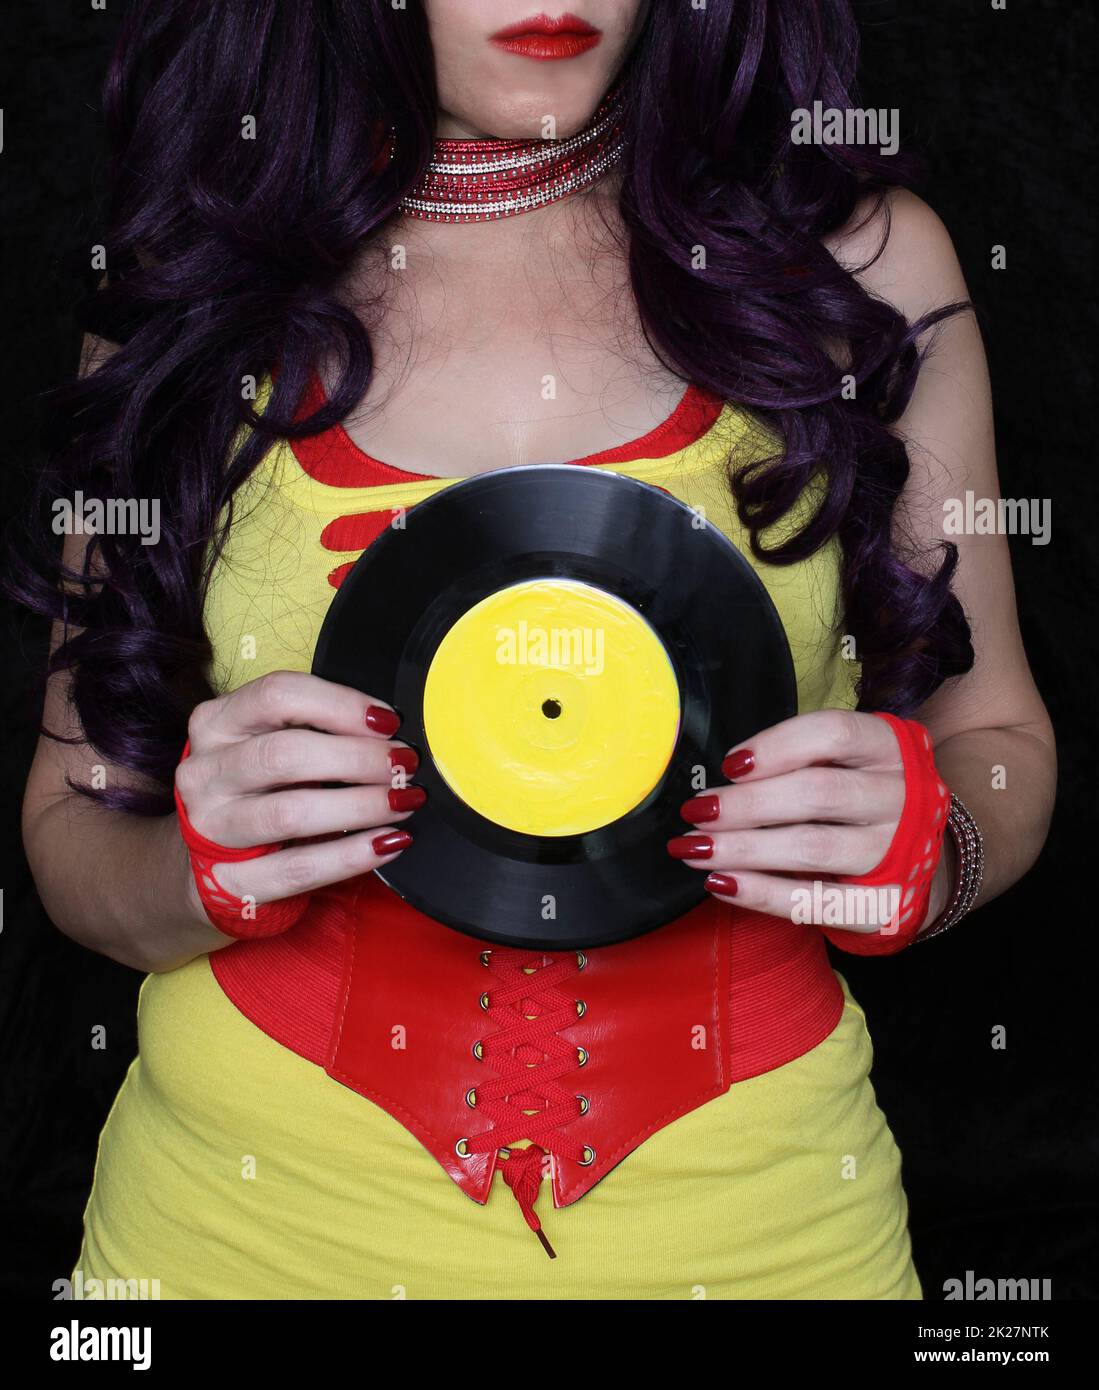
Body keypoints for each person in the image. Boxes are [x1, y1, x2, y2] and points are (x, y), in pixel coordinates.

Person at [15, 0, 1055, 1299]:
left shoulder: (863, 269)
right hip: (232, 1243)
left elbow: (1000, 741)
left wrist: (936, 851)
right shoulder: (192, 296)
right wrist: (194, 867)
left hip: (765, 1241)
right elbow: (68, 829)